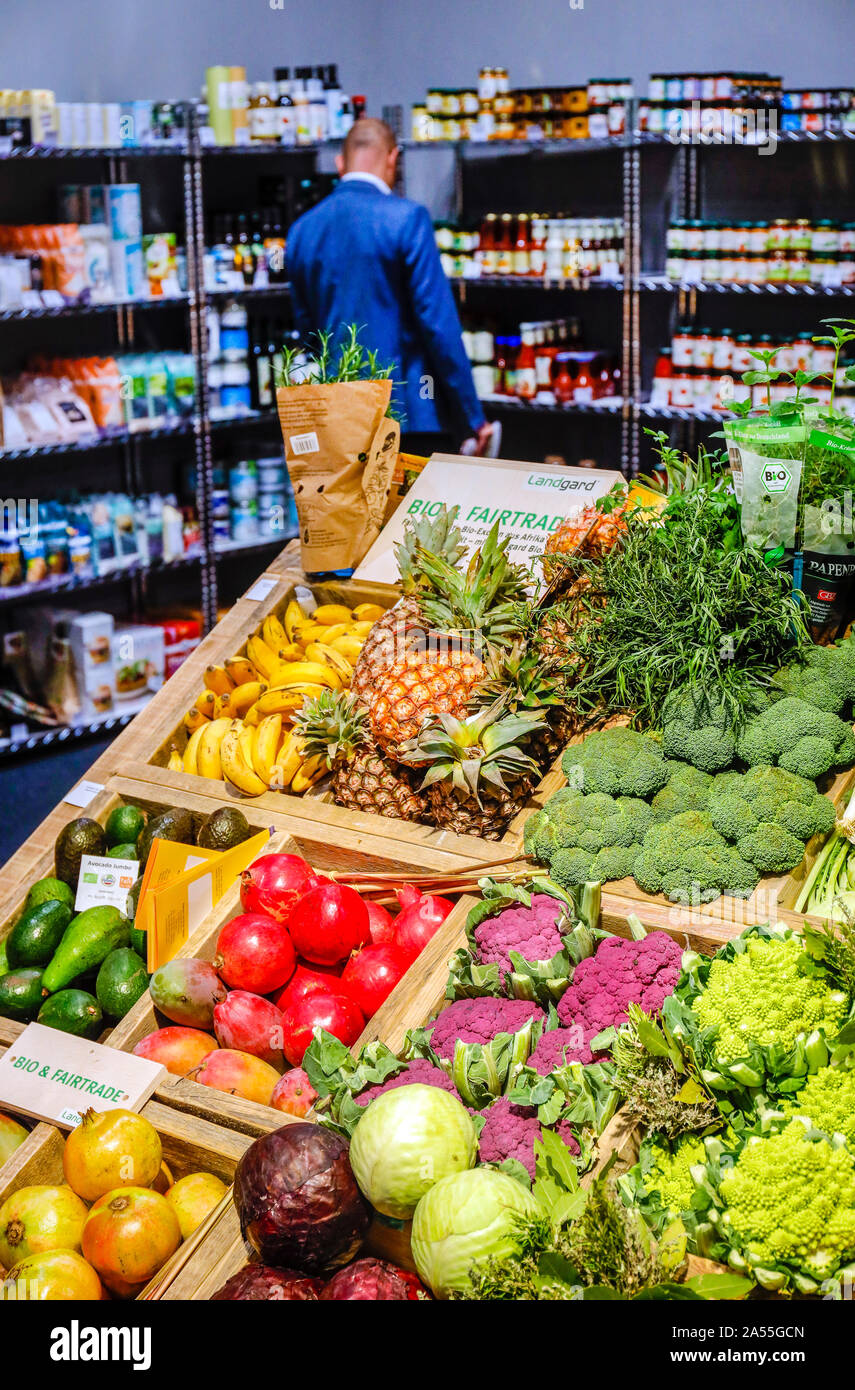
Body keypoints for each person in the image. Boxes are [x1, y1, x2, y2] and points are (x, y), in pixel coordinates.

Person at [286, 118, 493, 455]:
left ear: (340, 164)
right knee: (413, 508)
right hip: (408, 413)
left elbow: (307, 334)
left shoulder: (301, 231)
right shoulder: (407, 219)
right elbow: (437, 323)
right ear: (393, 158)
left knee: (351, 509)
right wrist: (472, 415)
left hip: (337, 416)